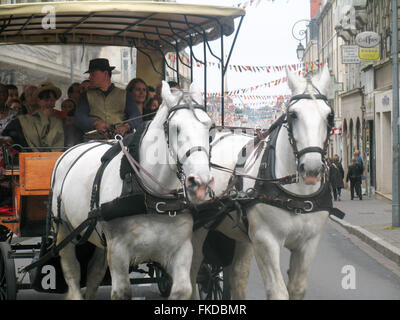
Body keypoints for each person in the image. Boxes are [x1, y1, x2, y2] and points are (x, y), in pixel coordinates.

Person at [75, 58, 142, 136]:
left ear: (106, 74)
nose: (89, 77)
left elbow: (136, 116)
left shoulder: (125, 95)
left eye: (93, 74)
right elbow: (79, 118)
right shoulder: (85, 96)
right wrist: (95, 123)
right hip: (94, 140)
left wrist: (126, 126)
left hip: (120, 140)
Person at [1, 81, 67, 152]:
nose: (49, 103)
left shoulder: (61, 118)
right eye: (46, 100)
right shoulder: (25, 119)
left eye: (52, 100)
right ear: (38, 101)